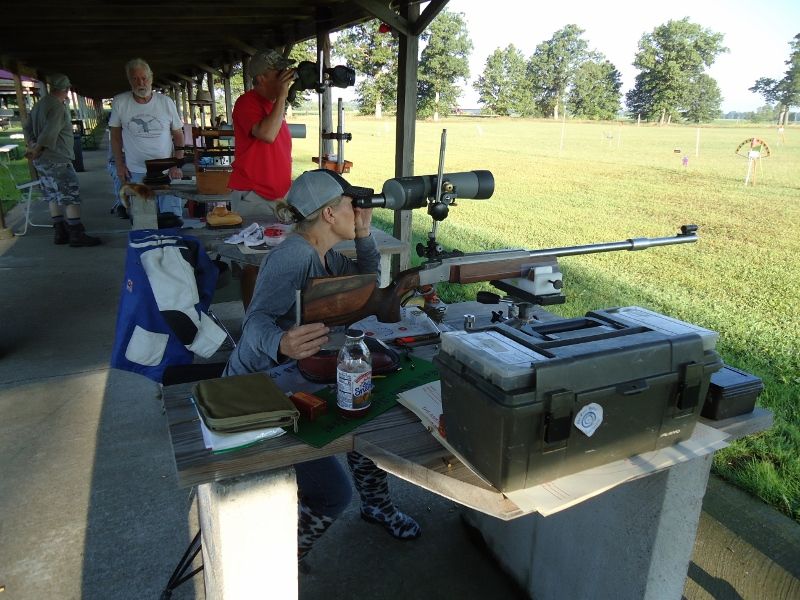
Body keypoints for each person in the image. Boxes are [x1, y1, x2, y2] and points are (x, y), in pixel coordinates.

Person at [224, 169, 421, 562]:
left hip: (299, 376)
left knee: (362, 419)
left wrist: (365, 234)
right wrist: (281, 340)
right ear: (329, 214)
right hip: (256, 389)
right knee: (333, 493)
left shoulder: (325, 254)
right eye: (353, 206)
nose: (360, 211)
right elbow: (255, 320)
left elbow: (363, 286)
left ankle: (377, 505)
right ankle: (280, 563)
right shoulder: (293, 256)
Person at [22, 74, 101, 247]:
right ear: (66, 89)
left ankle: (60, 231)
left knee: (52, 195)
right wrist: (38, 148)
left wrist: (32, 145)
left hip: (42, 161)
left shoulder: (39, 104)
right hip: (56, 158)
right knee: (70, 195)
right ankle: (76, 234)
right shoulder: (57, 107)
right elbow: (50, 133)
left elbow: (26, 127)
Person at [109, 58, 185, 224]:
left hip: (166, 170)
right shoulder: (120, 102)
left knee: (171, 219)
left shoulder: (166, 102)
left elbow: (178, 134)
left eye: (144, 78)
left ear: (151, 78)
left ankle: (172, 245)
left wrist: (176, 163)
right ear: (129, 80)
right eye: (135, 79)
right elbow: (115, 137)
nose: (140, 82)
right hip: (136, 170)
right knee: (143, 220)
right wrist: (119, 165)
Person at [228, 49, 297, 219]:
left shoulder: (273, 106)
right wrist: (282, 95)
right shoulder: (246, 102)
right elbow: (267, 134)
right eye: (278, 72)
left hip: (276, 196)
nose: (285, 76)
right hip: (254, 196)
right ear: (261, 78)